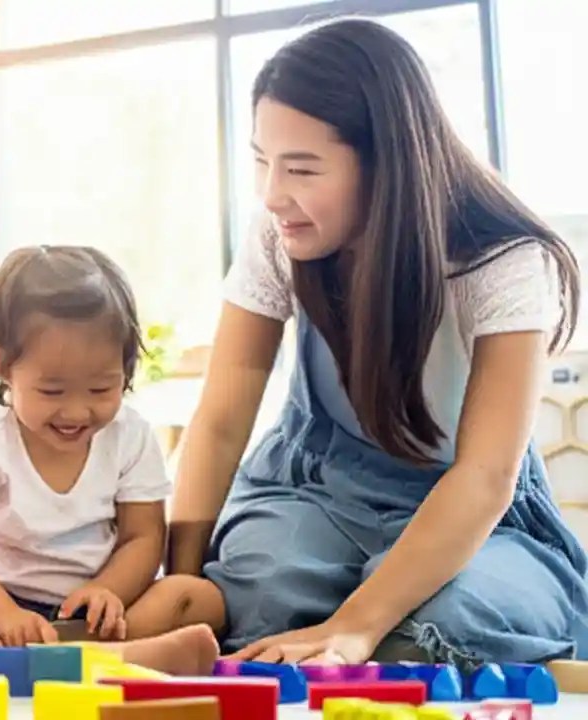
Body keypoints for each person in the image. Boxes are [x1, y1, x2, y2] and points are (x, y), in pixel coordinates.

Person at [159, 17, 588, 669]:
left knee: (447, 621)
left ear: (388, 161)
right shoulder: (278, 235)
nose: (273, 195)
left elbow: (486, 474)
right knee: (258, 590)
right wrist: (183, 581)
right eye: (261, 162)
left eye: (301, 169)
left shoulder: (502, 261)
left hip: (474, 511)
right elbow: (220, 422)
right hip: (315, 494)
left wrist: (359, 622)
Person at [0, 245, 219, 677]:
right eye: (52, 392)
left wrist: (108, 590)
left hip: (95, 617)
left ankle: (10, 659)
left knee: (195, 595)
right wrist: (1, 612)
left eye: (101, 390)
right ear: (1, 362)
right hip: (6, 604)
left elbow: (142, 536)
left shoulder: (131, 435)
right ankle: (108, 661)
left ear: (126, 370)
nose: (76, 412)